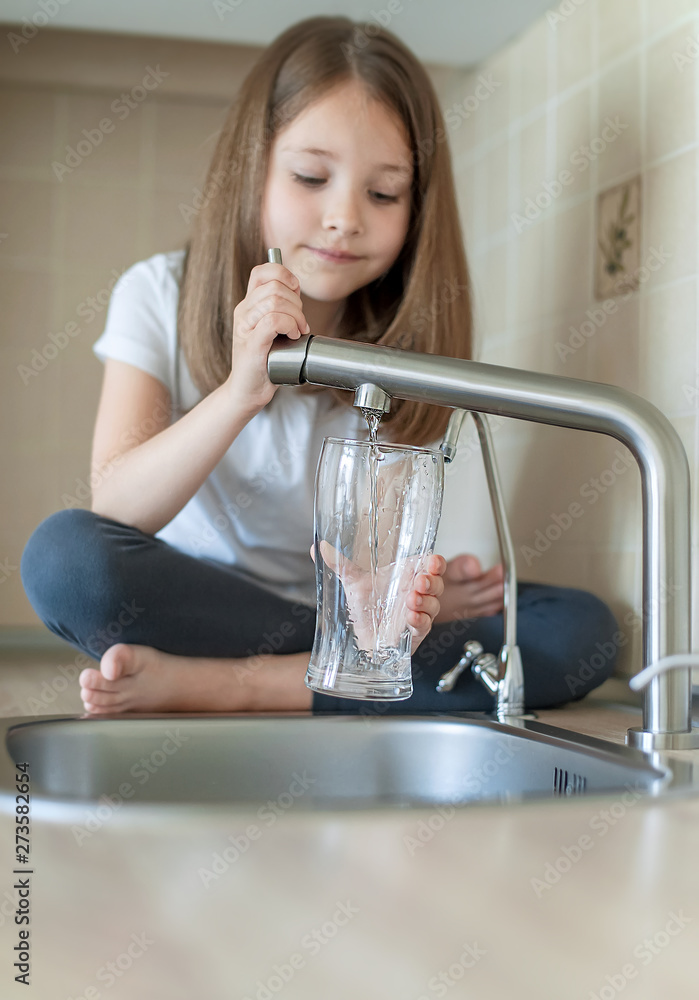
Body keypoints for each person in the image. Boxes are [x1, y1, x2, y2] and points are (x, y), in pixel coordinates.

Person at [21, 16, 618, 717]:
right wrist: (242, 392)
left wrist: (412, 600)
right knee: (67, 562)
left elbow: (373, 568)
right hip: (197, 607)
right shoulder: (157, 293)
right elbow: (116, 509)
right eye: (311, 176)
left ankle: (231, 685)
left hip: (325, 615)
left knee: (581, 630)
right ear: (254, 168)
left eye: (383, 193)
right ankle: (342, 672)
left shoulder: (406, 339)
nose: (344, 218)